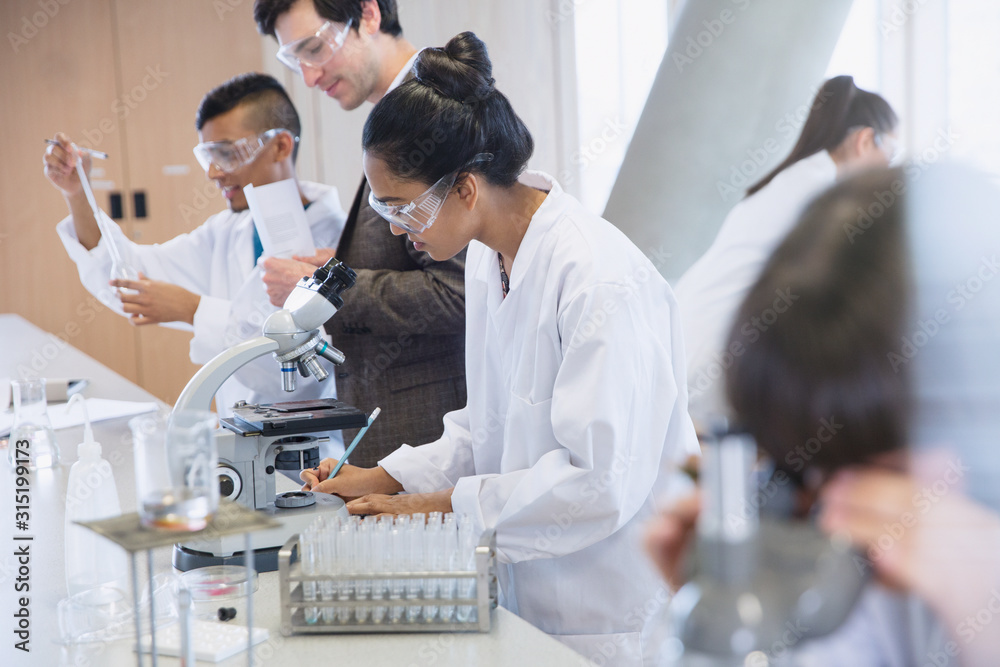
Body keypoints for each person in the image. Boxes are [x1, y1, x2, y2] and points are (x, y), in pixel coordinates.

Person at [298, 33, 699, 667]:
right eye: (383, 208)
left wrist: (433, 506)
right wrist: (385, 476)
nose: (397, 229)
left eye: (402, 208)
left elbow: (598, 482)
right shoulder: (490, 259)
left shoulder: (596, 277)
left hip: (614, 610)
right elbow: (483, 429)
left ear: (464, 187)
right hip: (533, 595)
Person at [648, 166, 1000, 665]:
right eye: (801, 471)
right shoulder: (842, 558)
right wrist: (734, 614)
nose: (836, 514)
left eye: (884, 476)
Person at [43, 73, 348, 455]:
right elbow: (131, 275)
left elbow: (291, 375)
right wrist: (78, 193)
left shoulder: (337, 241)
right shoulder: (229, 230)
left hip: (317, 455)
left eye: (226, 153)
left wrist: (192, 310)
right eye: (207, 156)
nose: (213, 172)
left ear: (280, 146)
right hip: (241, 448)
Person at [254, 0, 468, 468]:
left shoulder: (429, 110)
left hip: (431, 434)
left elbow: (460, 290)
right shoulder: (401, 109)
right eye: (296, 61)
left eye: (315, 48)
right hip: (402, 430)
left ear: (369, 15)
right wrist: (337, 269)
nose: (310, 77)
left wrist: (332, 289)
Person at [675, 75, 898, 420]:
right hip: (712, 362)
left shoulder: (799, 179)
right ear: (866, 140)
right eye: (891, 153)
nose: (889, 168)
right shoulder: (817, 192)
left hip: (686, 349)